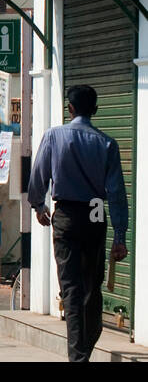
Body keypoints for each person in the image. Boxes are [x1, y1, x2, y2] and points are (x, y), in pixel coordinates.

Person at [28, 85, 128, 362]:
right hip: (96, 214)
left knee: (72, 288)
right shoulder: (107, 143)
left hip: (66, 216)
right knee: (91, 287)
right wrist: (119, 237)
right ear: (95, 110)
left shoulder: (54, 136)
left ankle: (78, 357)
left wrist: (39, 205)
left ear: (69, 108)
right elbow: (117, 193)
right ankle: (84, 348)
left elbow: (38, 177)